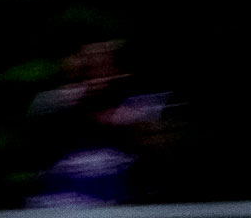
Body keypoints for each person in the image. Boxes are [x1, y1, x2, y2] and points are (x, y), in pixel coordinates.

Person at [26, 41, 171, 207]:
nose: (94, 79)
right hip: (55, 212)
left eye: (102, 66)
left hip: (115, 215)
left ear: (118, 72)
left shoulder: (140, 111)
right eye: (86, 71)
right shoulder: (55, 110)